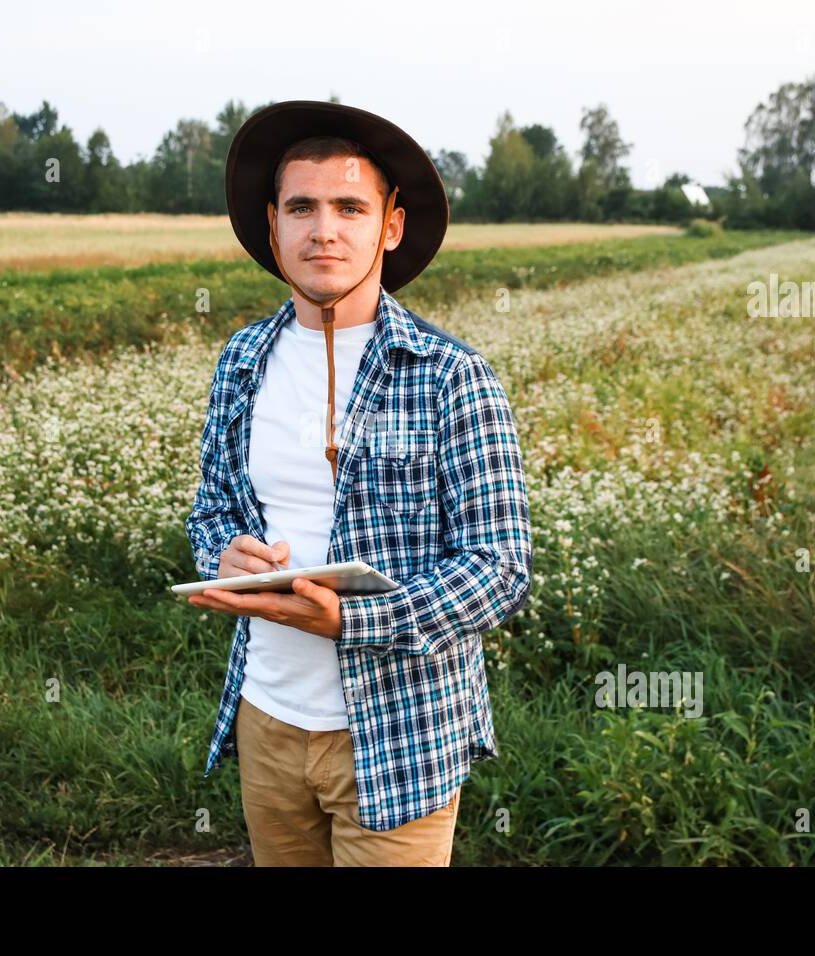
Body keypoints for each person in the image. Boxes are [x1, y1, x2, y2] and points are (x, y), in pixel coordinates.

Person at [185, 100, 532, 866]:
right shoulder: (242, 361)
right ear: (272, 225)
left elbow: (501, 571)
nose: (324, 230)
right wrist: (224, 556)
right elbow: (211, 509)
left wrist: (350, 621)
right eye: (301, 207)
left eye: (350, 206)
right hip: (267, 718)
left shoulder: (452, 378)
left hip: (401, 733)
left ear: (391, 226)